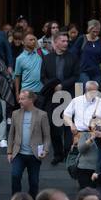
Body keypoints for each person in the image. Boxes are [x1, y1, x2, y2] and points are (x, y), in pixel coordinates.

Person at [40, 32, 79, 164]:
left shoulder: (72, 57)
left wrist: (62, 85)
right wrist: (53, 86)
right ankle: (58, 153)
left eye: (66, 41)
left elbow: (75, 76)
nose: (66, 43)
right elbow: (43, 77)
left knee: (68, 124)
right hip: (52, 96)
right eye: (62, 41)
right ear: (55, 42)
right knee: (54, 126)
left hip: (68, 94)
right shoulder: (47, 58)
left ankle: (68, 151)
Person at [7, 89, 50, 196]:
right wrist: (9, 152)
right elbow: (11, 134)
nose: (19, 101)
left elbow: (47, 136)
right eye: (19, 99)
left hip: (34, 155)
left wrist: (45, 150)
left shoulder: (42, 115)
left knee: (34, 182)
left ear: (30, 100)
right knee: (15, 176)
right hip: (19, 153)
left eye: (22, 99)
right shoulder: (15, 114)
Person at [13, 32, 44, 105]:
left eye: (34, 40)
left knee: (39, 115)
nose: (33, 41)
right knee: (26, 115)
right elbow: (17, 76)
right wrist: (17, 93)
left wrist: (38, 47)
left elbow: (47, 58)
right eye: (30, 40)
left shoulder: (39, 53)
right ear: (23, 42)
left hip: (40, 90)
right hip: (26, 91)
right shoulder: (19, 58)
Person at [78, 19, 101, 86]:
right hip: (83, 71)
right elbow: (73, 53)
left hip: (96, 72)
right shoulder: (82, 38)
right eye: (93, 31)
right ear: (89, 29)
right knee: (86, 91)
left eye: (97, 32)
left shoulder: (100, 41)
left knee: (96, 93)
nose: (95, 34)